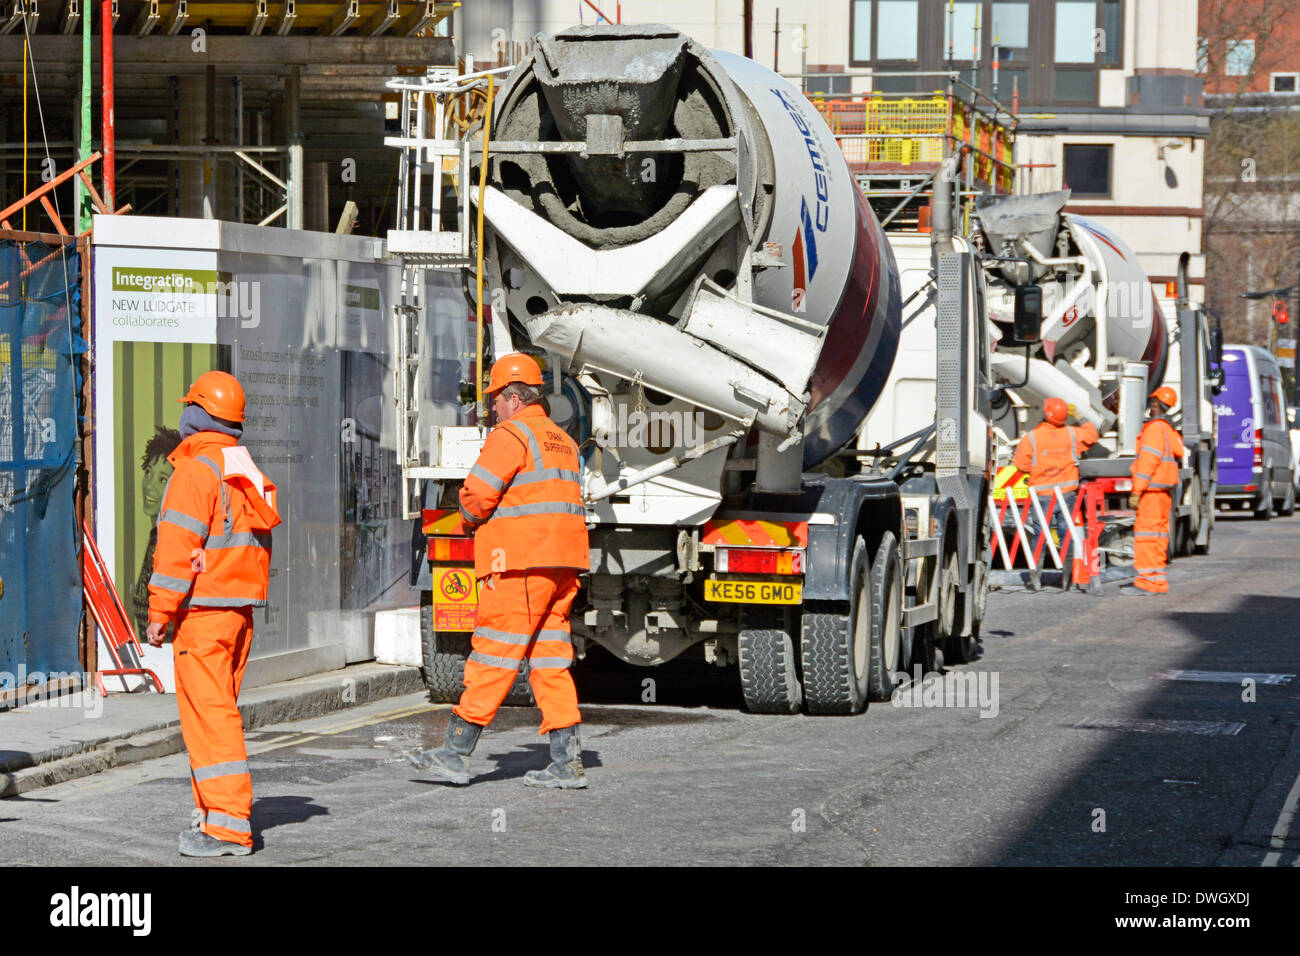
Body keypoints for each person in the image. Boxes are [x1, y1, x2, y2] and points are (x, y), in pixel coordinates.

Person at [409, 353, 590, 788]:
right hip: (562, 566)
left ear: (513, 397)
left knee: (494, 654)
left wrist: (470, 521)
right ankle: (567, 764)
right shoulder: (561, 440)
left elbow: (476, 494)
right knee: (550, 662)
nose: (491, 408)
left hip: (521, 567)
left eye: (494, 399)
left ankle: (454, 754)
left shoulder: (511, 434)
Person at [145, 370, 281, 856]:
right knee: (217, 714)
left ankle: (226, 828)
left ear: (195, 416)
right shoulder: (245, 470)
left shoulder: (195, 471)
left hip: (203, 615)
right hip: (238, 613)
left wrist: (160, 610)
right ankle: (213, 815)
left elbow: (178, 546)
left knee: (210, 719)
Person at [1011, 397, 1100, 551]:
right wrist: (1080, 416)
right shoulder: (1072, 434)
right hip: (1066, 495)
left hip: (1042, 495)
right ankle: (1067, 574)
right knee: (1066, 535)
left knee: (1040, 536)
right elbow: (1092, 435)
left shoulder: (1031, 437)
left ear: (1046, 414)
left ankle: (1036, 574)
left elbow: (1021, 466)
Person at [1123, 386, 1185, 595]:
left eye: (1153, 402)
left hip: (1150, 493)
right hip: (1164, 493)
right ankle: (1158, 581)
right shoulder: (1170, 431)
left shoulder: (1154, 430)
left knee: (1146, 537)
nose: (1150, 406)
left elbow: (1147, 462)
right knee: (1158, 538)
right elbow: (1178, 451)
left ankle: (1146, 583)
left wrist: (1136, 491)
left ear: (1157, 404)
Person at [132, 426, 182, 638]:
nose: (149, 486)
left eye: (162, 480)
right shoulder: (156, 537)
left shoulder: (173, 542)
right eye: (149, 473)